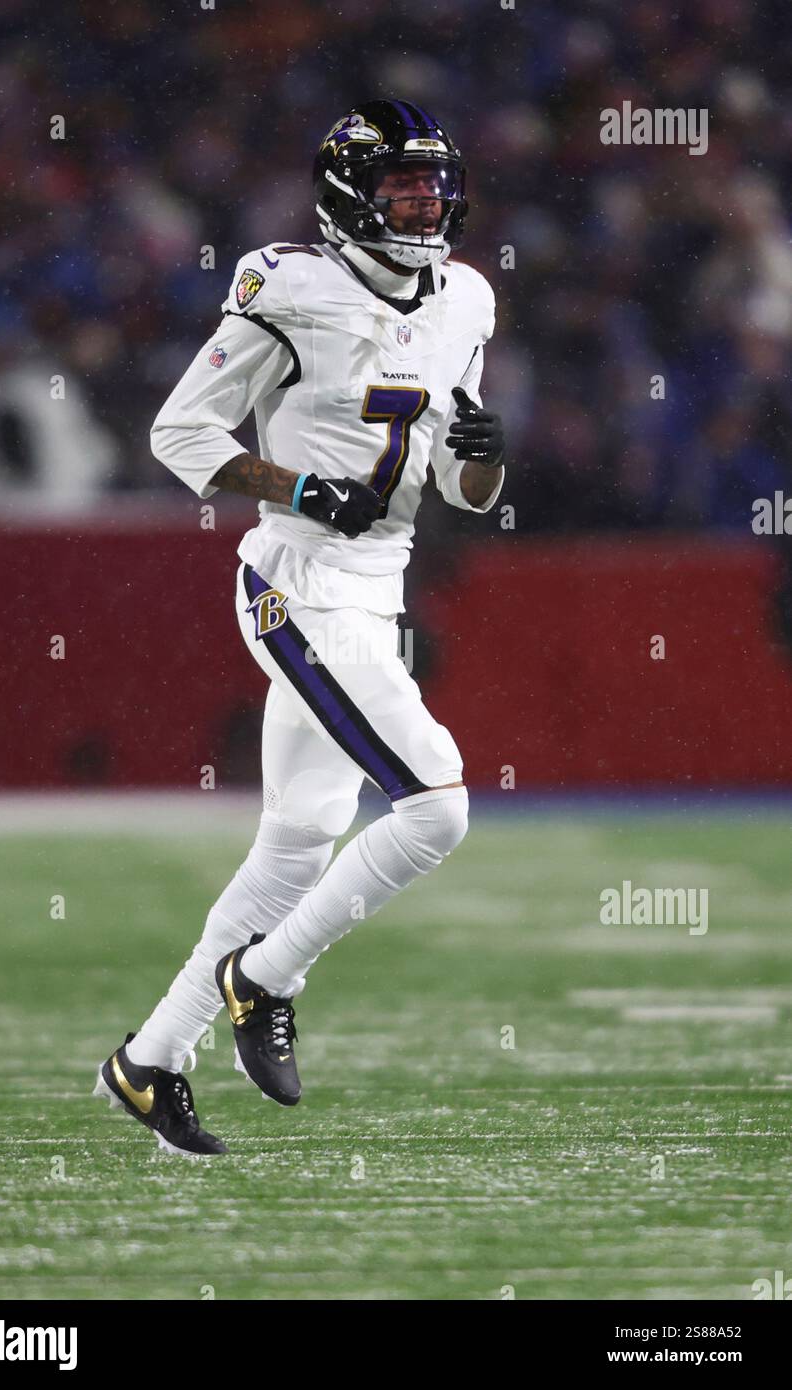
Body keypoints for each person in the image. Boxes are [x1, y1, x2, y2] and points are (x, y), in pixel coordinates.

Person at [94, 99, 506, 1156]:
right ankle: (264, 975)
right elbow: (178, 429)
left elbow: (460, 488)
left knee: (294, 848)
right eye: (399, 187)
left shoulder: (463, 296)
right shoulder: (292, 287)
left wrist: (483, 457)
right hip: (295, 584)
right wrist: (299, 487)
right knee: (437, 806)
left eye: (431, 185)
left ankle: (150, 1061)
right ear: (346, 197)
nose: (421, 204)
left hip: (377, 590)